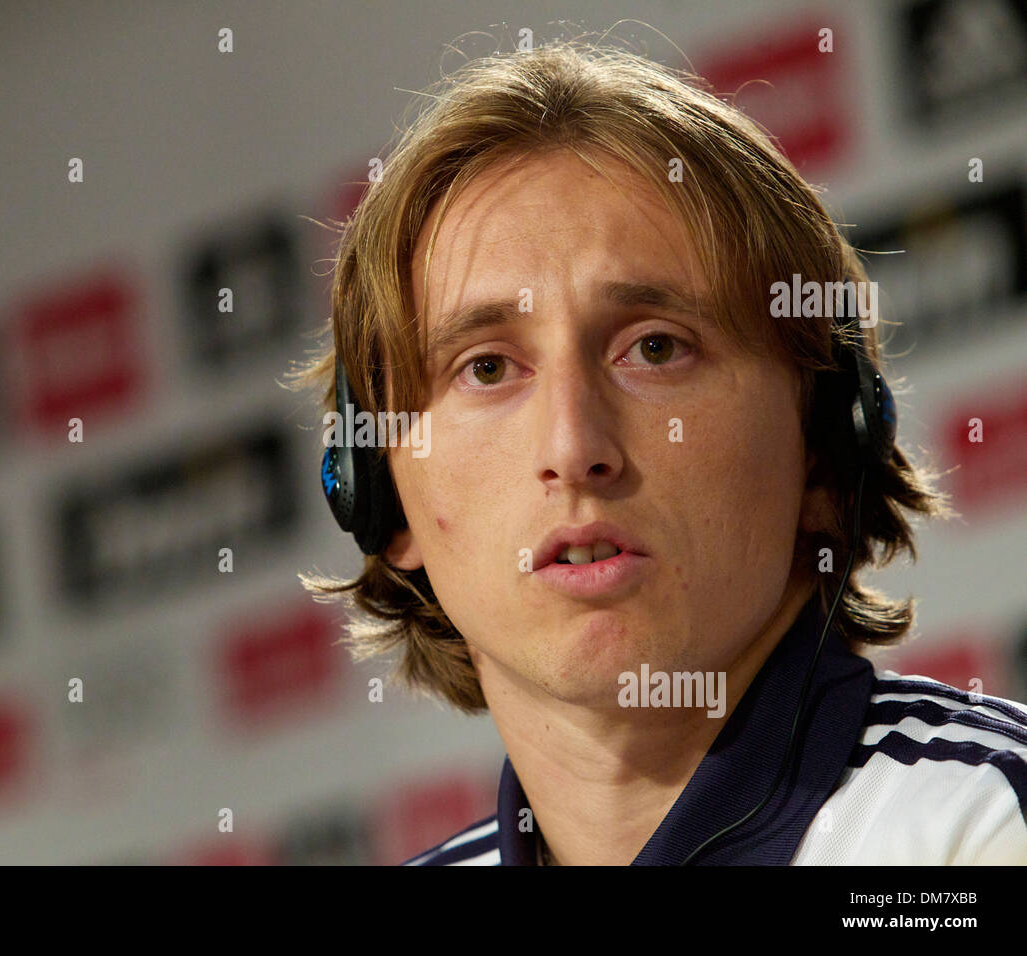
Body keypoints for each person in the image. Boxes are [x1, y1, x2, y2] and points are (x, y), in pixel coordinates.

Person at [289, 41, 1027, 864]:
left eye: (655, 349)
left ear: (822, 444)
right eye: (487, 368)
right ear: (381, 496)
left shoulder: (981, 835)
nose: (574, 449)